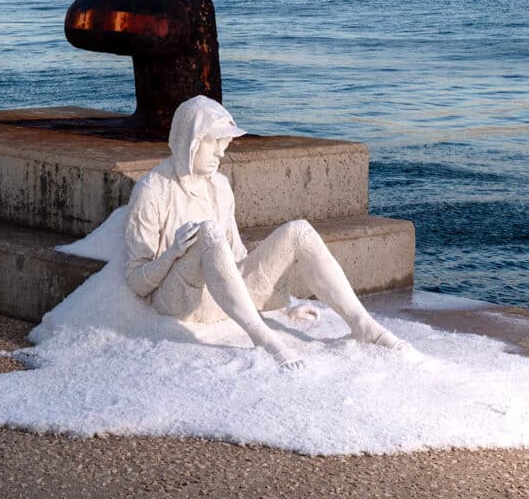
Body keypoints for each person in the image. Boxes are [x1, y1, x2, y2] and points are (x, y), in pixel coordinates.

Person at [124, 95, 418, 369]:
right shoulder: (153, 190)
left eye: (224, 143)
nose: (221, 153)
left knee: (299, 230)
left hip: (222, 303)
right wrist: (174, 252)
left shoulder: (220, 186)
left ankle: (363, 326)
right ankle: (264, 339)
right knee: (209, 232)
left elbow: (235, 258)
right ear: (191, 139)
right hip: (181, 303)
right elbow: (137, 282)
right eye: (214, 143)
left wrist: (278, 309)